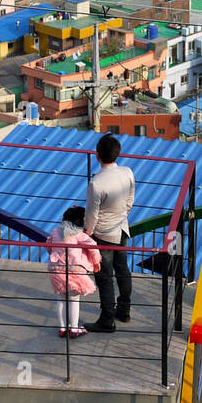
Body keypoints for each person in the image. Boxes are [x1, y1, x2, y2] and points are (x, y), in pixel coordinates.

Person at [83, 133, 135, 333]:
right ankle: (124, 311)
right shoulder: (127, 172)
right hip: (122, 229)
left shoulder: (96, 183)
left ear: (97, 156)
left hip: (103, 235)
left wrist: (88, 233)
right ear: (118, 153)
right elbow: (130, 200)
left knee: (104, 277)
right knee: (122, 270)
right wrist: (122, 215)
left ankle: (107, 319)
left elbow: (92, 215)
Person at [47, 206, 101, 339]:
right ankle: (74, 328)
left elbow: (49, 244)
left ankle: (62, 328)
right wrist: (96, 262)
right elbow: (93, 246)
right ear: (79, 221)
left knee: (60, 298)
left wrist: (54, 255)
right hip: (74, 271)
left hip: (56, 270)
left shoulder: (55, 230)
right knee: (74, 299)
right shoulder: (79, 234)